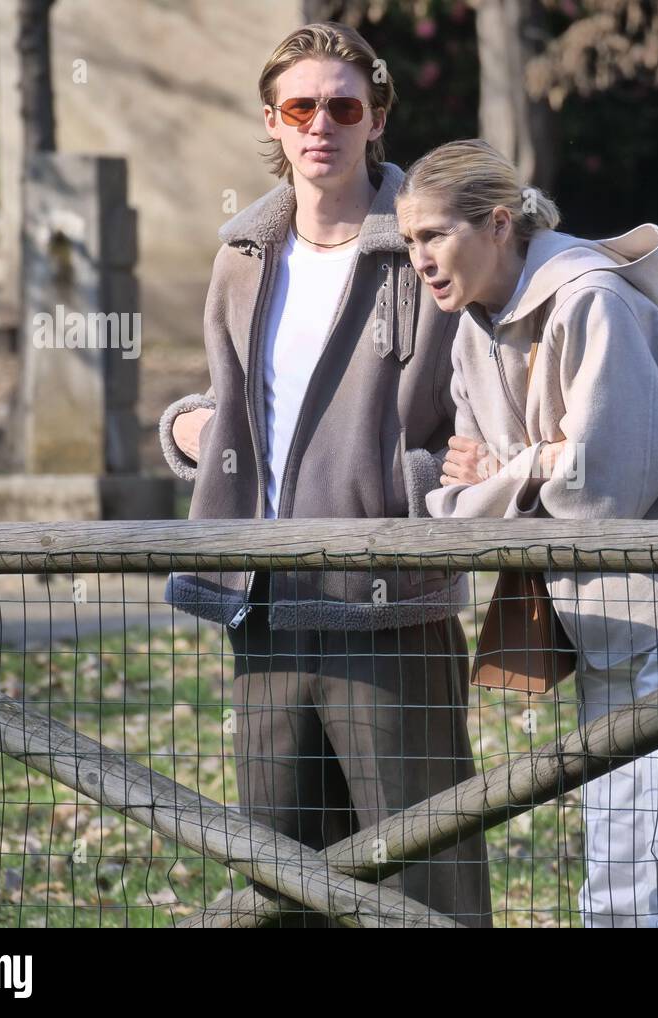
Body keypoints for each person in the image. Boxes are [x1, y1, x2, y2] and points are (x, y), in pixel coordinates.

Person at [158, 24, 491, 927]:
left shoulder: (424, 246)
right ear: (272, 121)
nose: (322, 125)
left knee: (424, 866)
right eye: (301, 106)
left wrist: (435, 474)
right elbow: (256, 404)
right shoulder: (241, 258)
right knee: (282, 876)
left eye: (344, 106)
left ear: (377, 118)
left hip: (388, 602)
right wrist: (193, 432)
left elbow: (487, 398)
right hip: (262, 607)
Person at [397, 139, 658, 927]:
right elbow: (466, 484)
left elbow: (605, 486)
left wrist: (509, 472)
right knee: (615, 881)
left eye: (434, 235)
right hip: (601, 627)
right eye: (409, 241)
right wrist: (535, 464)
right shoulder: (471, 327)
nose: (420, 258)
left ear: (498, 223)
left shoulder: (591, 300)